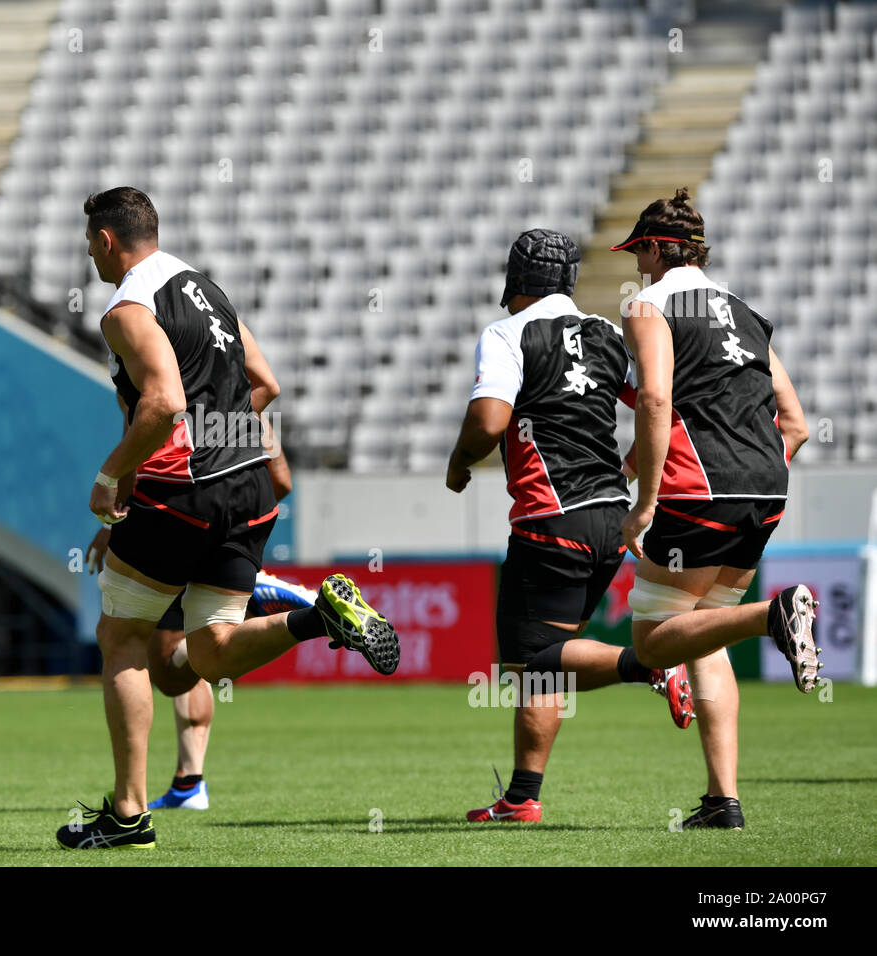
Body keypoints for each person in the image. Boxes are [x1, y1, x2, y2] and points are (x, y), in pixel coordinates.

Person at [58, 186, 399, 850]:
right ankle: (316, 618)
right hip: (247, 487)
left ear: (105, 241)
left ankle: (127, 815)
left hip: (182, 492)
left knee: (123, 639)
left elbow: (161, 405)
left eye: (88, 244)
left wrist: (109, 478)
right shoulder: (207, 290)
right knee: (206, 650)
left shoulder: (127, 307)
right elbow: (264, 381)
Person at [447, 229, 694, 824]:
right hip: (611, 520)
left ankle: (649, 665)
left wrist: (458, 463)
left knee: (525, 664)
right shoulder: (607, 335)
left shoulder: (510, 333)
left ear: (515, 281)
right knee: (552, 660)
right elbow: (662, 401)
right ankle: (522, 797)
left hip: (551, 518)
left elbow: (488, 420)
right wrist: (632, 472)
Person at [613, 188, 818, 830]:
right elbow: (797, 423)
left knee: (649, 641)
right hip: (766, 485)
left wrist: (644, 501)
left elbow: (654, 401)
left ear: (652, 248)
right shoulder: (747, 312)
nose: (637, 266)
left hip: (699, 485)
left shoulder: (649, 305)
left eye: (639, 253)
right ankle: (722, 802)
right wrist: (756, 475)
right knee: (705, 629)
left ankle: (775, 615)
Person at [84, 419, 312, 811]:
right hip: (240, 503)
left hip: (175, 507)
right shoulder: (238, 390)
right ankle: (190, 780)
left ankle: (136, 803)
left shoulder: (163, 370)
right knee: (199, 653)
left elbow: (146, 425)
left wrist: (117, 513)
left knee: (151, 657)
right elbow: (283, 476)